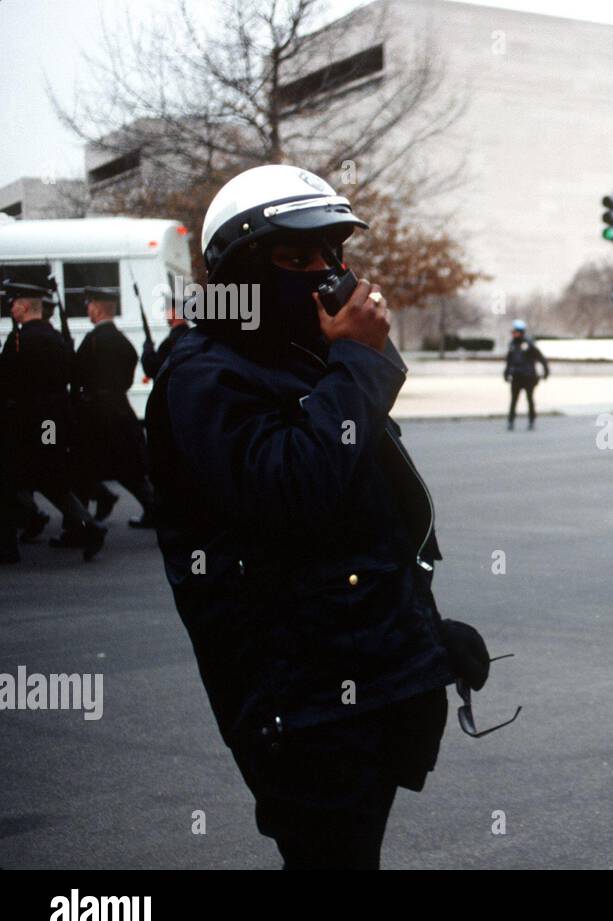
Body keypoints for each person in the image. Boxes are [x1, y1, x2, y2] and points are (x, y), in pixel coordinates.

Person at [146, 164, 494, 869]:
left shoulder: (304, 357)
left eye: (333, 256)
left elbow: (364, 525)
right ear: (242, 269)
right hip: (298, 704)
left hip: (364, 679)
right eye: (295, 257)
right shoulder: (205, 374)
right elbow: (291, 492)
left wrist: (424, 638)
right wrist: (356, 363)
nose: (325, 274)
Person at [0, 279, 106, 561]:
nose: (11, 308)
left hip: (28, 421)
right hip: (54, 419)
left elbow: (6, 382)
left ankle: (8, 544)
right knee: (49, 476)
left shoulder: (20, 340)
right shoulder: (57, 338)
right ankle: (87, 524)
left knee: (16, 478)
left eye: (13, 303)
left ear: (23, 307)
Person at [69, 287, 158, 528]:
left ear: (97, 308)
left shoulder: (94, 340)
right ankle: (152, 509)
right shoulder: (123, 341)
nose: (88, 309)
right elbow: (128, 377)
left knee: (81, 464)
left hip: (96, 413)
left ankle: (84, 518)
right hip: (120, 407)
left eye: (89, 305)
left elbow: (77, 374)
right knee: (128, 467)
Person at [503, 318, 548, 430]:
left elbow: (541, 358)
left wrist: (546, 370)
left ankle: (531, 420)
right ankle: (511, 421)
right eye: (513, 332)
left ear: (521, 332)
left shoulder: (529, 344)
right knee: (514, 400)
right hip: (517, 377)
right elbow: (509, 361)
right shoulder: (512, 345)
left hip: (528, 377)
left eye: (515, 332)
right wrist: (506, 373)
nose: (513, 334)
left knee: (530, 400)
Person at [140, 292, 192, 379]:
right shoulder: (190, 335)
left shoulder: (170, 342)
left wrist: (147, 349)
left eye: (167, 309)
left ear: (175, 312)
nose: (165, 313)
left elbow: (152, 369)